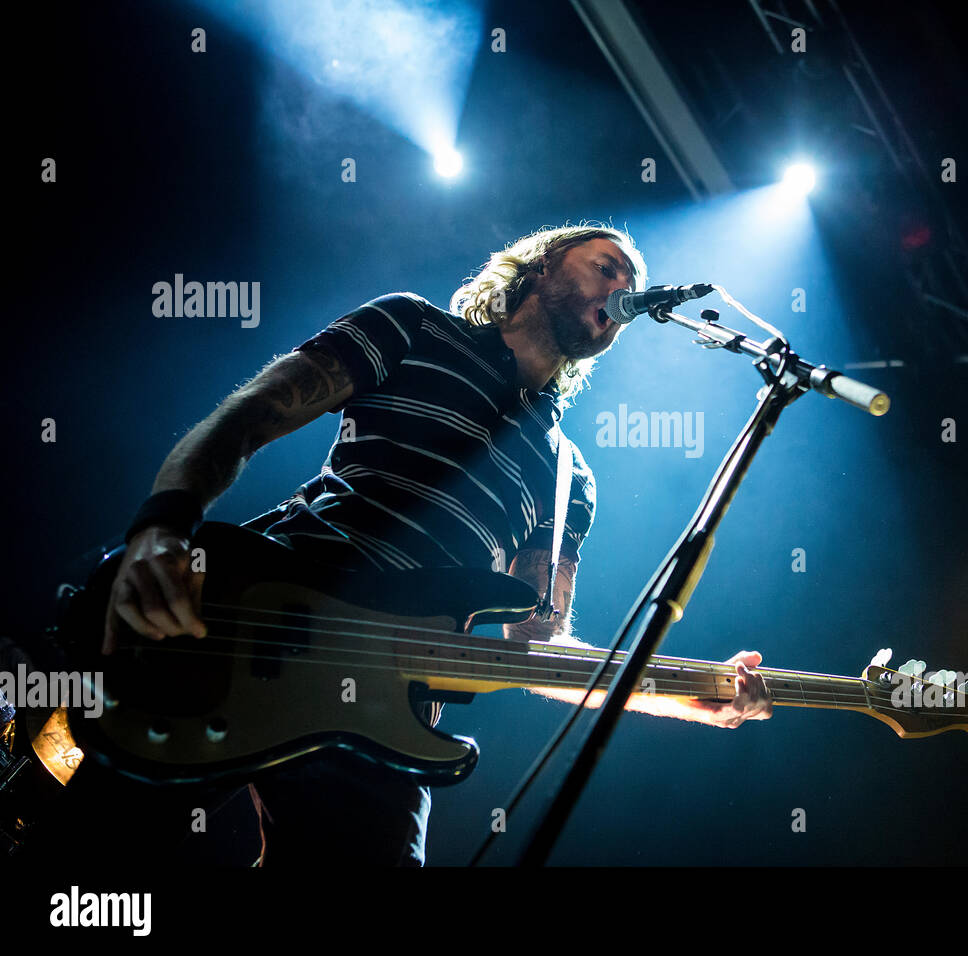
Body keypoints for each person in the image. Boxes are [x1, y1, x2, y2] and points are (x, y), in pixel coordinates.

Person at [96, 223, 773, 866]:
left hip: (388, 710)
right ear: (543, 264)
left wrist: (684, 694)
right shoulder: (413, 325)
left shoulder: (570, 478)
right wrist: (160, 530)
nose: (622, 287)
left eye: (630, 280)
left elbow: (538, 647)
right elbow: (250, 415)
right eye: (608, 266)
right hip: (263, 615)